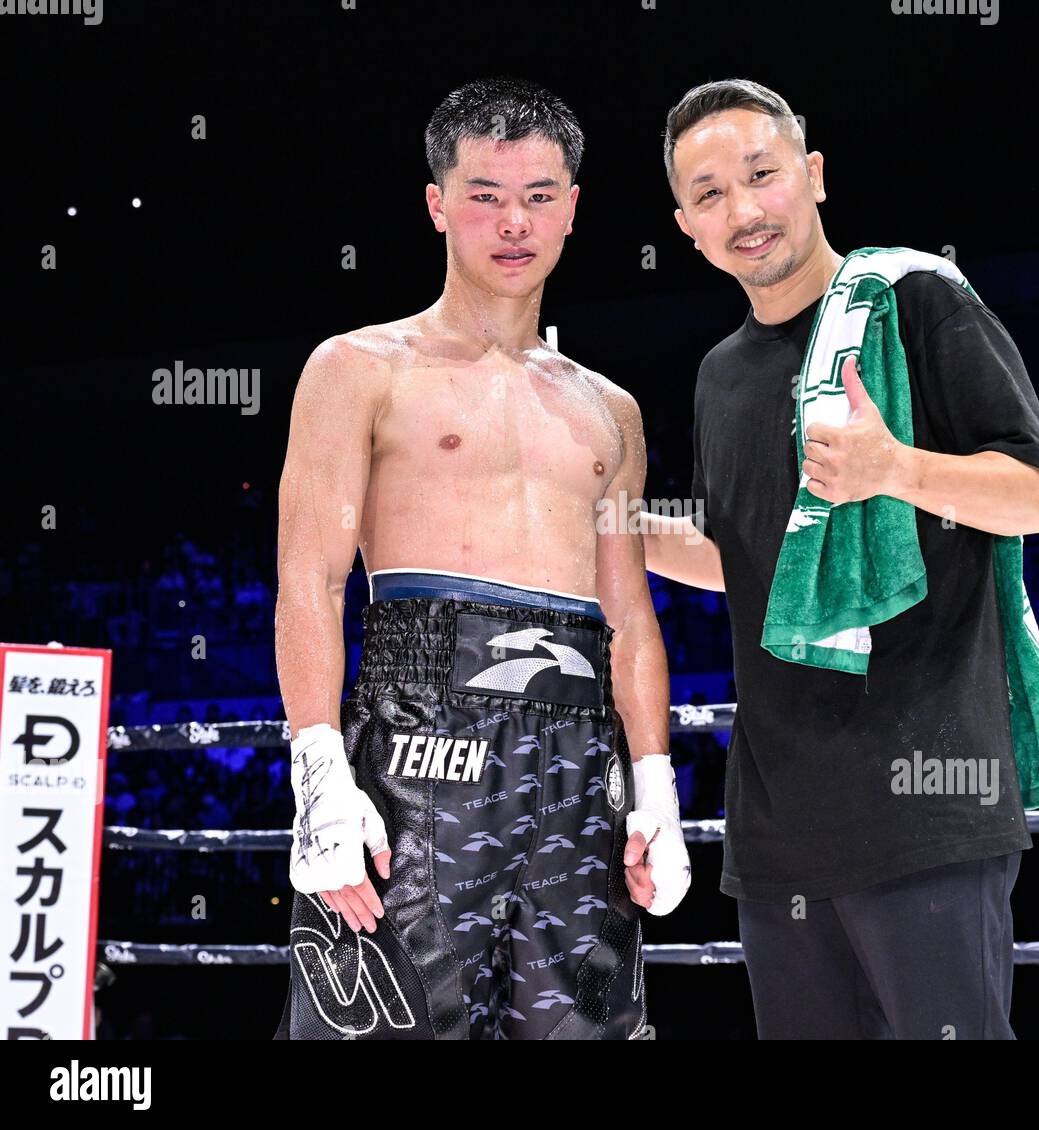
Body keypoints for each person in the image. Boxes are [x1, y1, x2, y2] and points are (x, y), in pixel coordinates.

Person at [644, 79, 1039, 1039]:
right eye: (709, 194)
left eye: (761, 175)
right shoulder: (718, 373)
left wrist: (896, 468)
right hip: (778, 827)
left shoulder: (914, 300)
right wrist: (606, 527)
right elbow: (746, 563)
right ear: (686, 225)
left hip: (927, 804)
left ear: (814, 175)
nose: (743, 210)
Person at [272, 77, 689, 1041]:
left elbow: (626, 615)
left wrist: (656, 784)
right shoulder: (357, 368)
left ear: (574, 208)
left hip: (580, 760)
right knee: (383, 1025)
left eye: (540, 195)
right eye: (485, 195)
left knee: (590, 1030)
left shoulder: (610, 410)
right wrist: (318, 772)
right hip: (418, 735)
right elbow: (311, 578)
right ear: (437, 203)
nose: (514, 222)